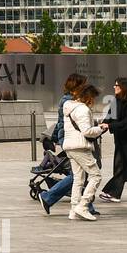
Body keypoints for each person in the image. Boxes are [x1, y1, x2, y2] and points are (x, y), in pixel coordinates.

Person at [38, 72, 98, 216]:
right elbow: (64, 125)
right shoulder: (70, 101)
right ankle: (51, 197)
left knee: (78, 175)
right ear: (78, 86)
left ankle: (78, 207)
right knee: (85, 174)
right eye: (83, 83)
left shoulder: (70, 101)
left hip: (71, 141)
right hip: (76, 142)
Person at [63, 83, 105, 221]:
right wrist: (100, 128)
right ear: (88, 97)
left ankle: (74, 210)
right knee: (96, 176)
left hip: (69, 146)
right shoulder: (82, 110)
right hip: (80, 147)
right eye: (93, 97)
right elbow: (87, 131)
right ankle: (83, 206)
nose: (94, 101)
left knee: (78, 179)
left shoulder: (69, 107)